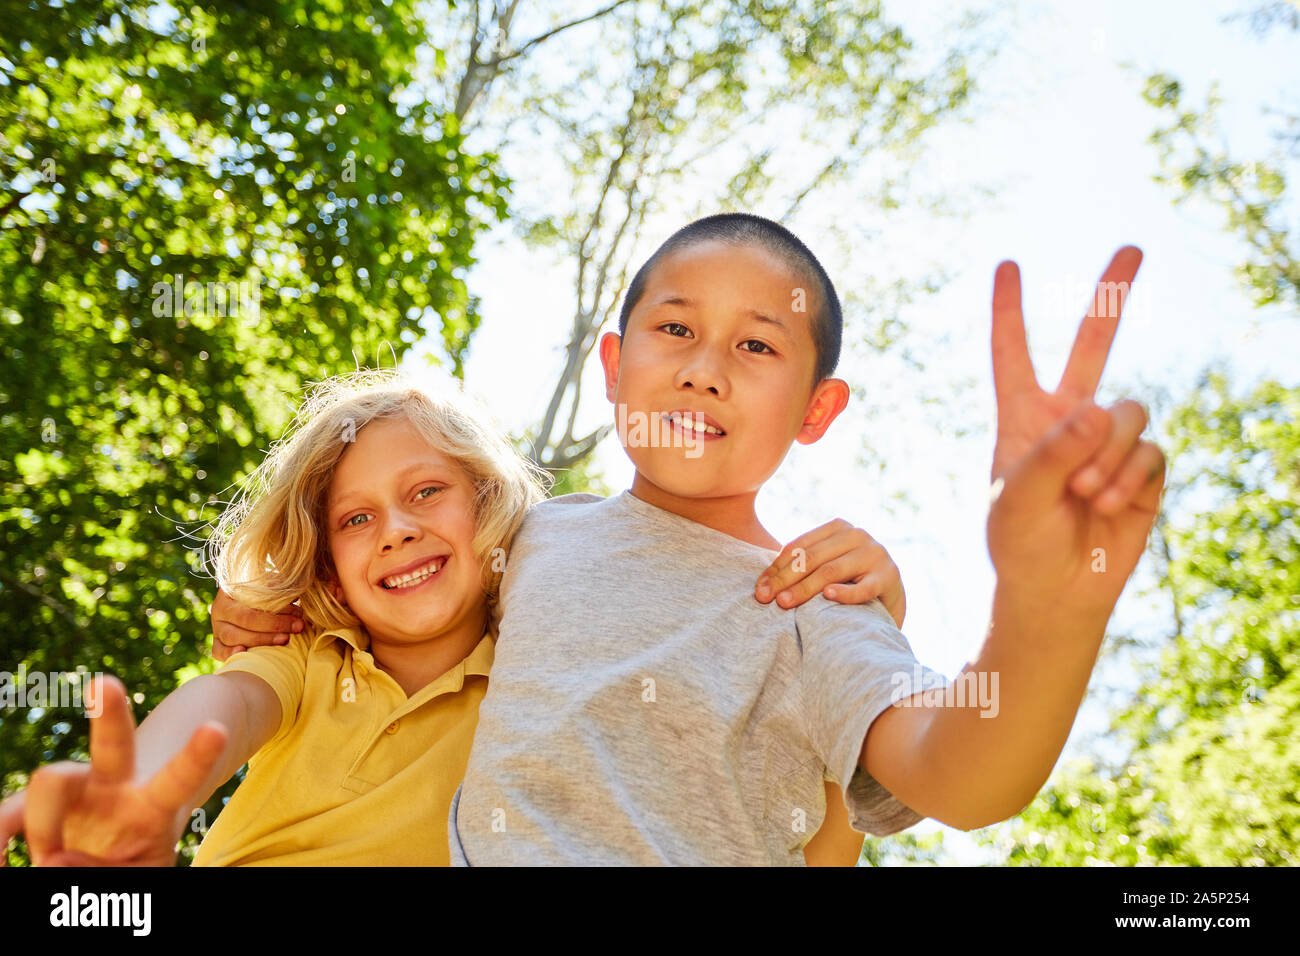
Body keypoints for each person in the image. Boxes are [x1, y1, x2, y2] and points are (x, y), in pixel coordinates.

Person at [441, 213, 1164, 864]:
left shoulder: (816, 600)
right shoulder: (532, 534)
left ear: (817, 410)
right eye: (674, 329)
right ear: (613, 365)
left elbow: (964, 776)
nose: (703, 372)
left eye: (756, 344)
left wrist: (1043, 613)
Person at [0, 371, 911, 866]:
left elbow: (797, 835)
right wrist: (141, 789)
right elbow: (219, 711)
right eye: (355, 520)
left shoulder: (543, 690)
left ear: (491, 512)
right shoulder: (307, 664)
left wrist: (855, 630)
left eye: (426, 492)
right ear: (328, 566)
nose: (394, 530)